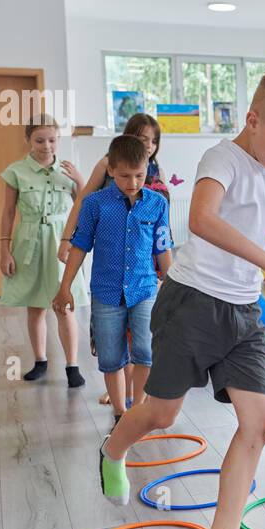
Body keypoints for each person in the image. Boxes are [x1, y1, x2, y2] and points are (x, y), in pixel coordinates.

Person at [95, 65, 265, 529]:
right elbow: (201, 219)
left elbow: (247, 225)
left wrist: (261, 279)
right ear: (252, 119)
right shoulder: (222, 158)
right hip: (192, 305)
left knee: (262, 421)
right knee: (161, 414)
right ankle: (112, 450)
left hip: (243, 314)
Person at [53, 134, 172, 425]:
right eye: (125, 176)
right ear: (110, 170)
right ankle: (120, 412)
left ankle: (139, 409)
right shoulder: (95, 204)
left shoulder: (157, 204)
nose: (133, 183)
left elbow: (163, 247)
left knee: (145, 351)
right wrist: (65, 287)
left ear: (148, 169)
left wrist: (173, 285)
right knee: (110, 356)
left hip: (144, 290)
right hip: (106, 293)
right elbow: (80, 245)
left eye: (140, 176)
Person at [0, 113, 87, 387]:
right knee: (35, 306)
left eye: (52, 140)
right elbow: (8, 212)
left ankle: (72, 365)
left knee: (64, 306)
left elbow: (85, 205)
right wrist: (4, 250)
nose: (46, 146)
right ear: (27, 140)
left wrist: (81, 181)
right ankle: (40, 360)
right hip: (28, 243)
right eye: (39, 140)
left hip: (62, 243)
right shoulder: (15, 172)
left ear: (58, 140)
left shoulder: (69, 170)